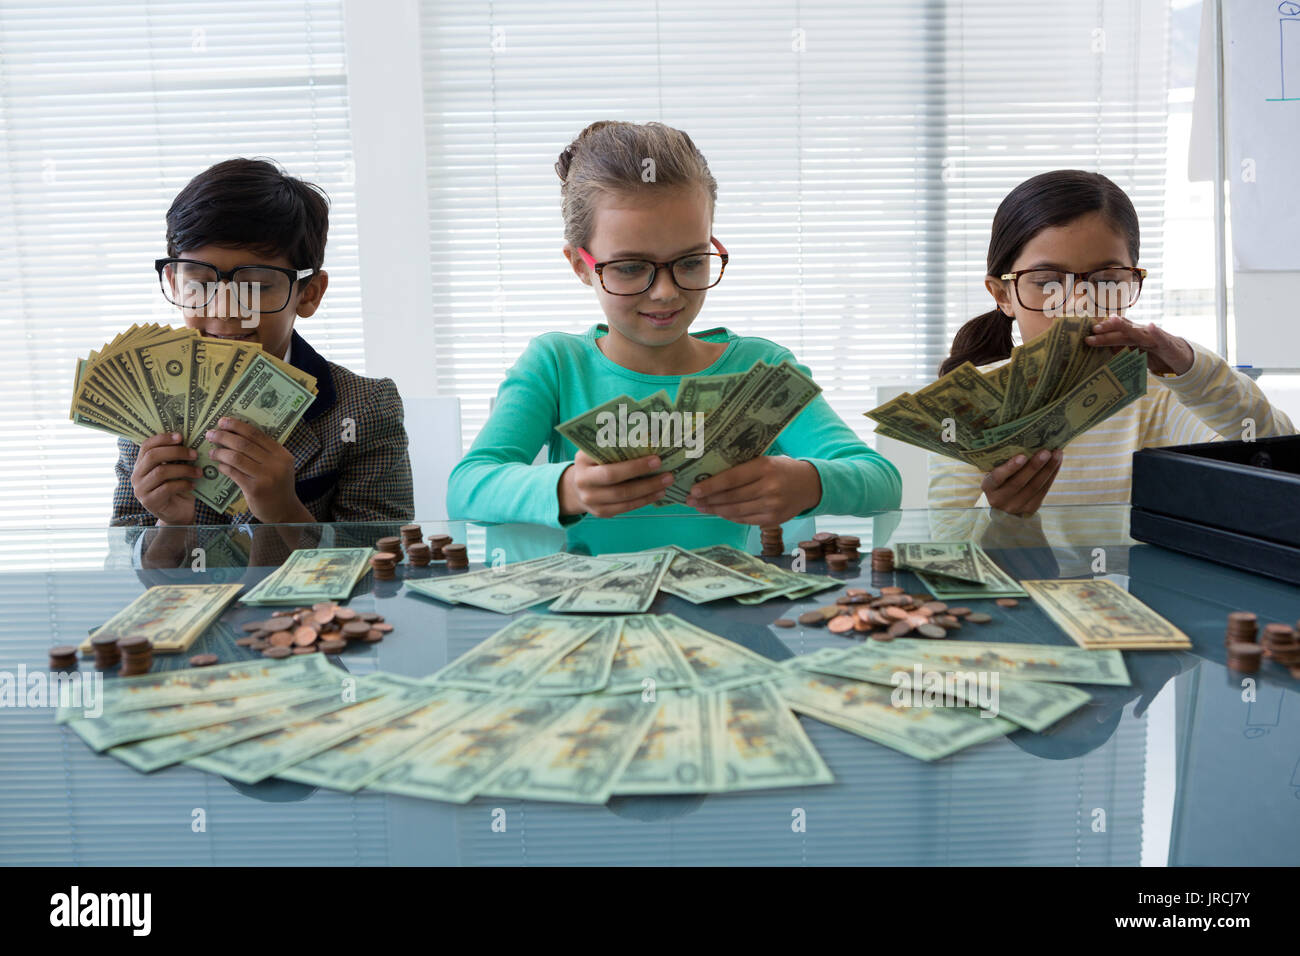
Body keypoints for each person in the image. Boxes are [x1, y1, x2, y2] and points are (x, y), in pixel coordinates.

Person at [447, 121, 900, 553]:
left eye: (690, 261)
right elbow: (467, 488)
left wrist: (808, 483)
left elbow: (881, 480)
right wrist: (568, 487)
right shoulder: (556, 365)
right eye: (629, 268)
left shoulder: (761, 369)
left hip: (728, 619)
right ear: (581, 265)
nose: (665, 293)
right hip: (594, 614)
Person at [928, 169, 1294, 546]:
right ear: (1002, 295)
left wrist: (1187, 365)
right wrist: (1004, 520)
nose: (1079, 305)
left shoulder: (1167, 393)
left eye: (1106, 280)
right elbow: (947, 557)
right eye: (1047, 282)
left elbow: (1279, 461)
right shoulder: (967, 404)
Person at [111, 159, 413, 564]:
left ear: (309, 294)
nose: (224, 310)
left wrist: (284, 512)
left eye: (254, 287)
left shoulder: (367, 406)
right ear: (173, 282)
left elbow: (384, 568)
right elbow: (122, 564)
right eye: (199, 284)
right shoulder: (146, 401)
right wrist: (171, 528)